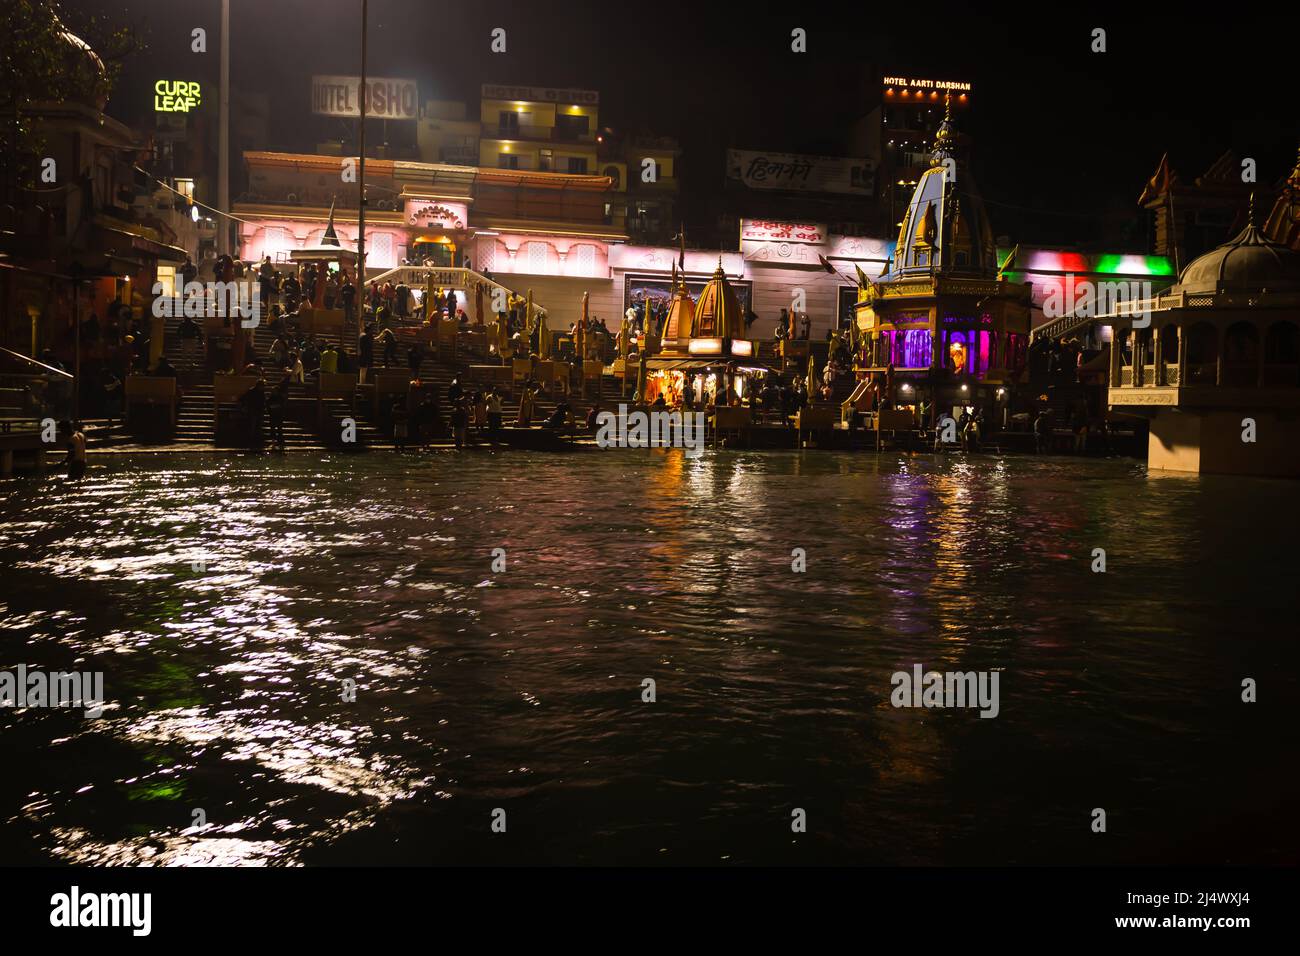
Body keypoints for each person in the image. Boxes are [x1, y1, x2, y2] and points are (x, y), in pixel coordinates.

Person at [267, 373, 289, 449]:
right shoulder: (271, 398)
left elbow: (282, 406)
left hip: (278, 415)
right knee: (273, 429)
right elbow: (268, 406)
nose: (273, 392)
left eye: (274, 391)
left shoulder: (280, 398)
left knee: (279, 429)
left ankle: (280, 442)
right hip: (273, 415)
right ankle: (274, 442)